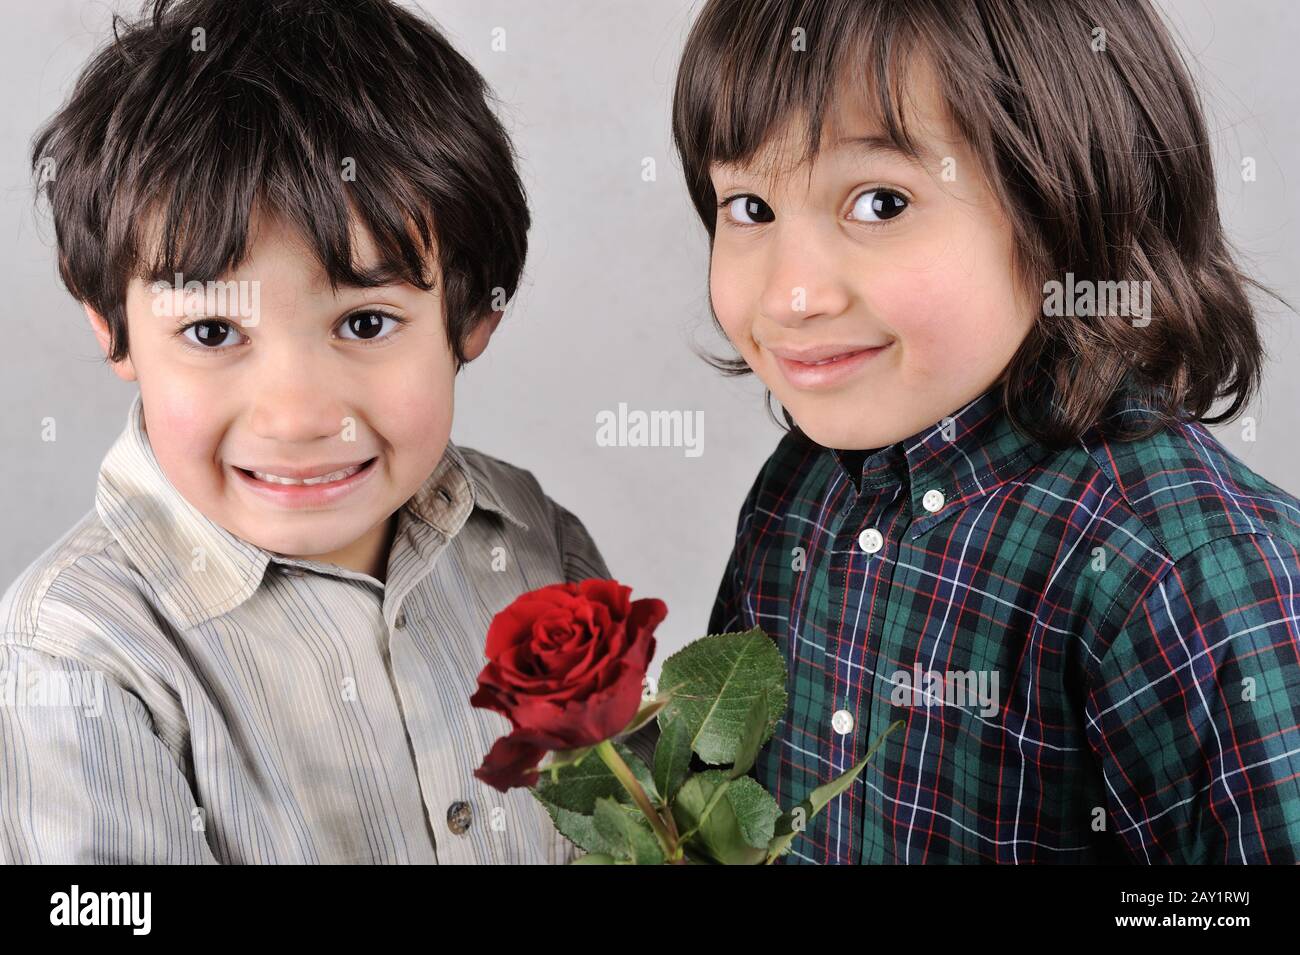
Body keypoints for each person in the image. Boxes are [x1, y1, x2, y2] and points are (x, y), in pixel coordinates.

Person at [0, 0, 627, 864]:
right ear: (111, 323)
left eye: (365, 324)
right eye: (214, 332)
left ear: (475, 311)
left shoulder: (530, 537)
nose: (297, 417)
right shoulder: (79, 655)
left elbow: (636, 818)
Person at [675, 0, 1300, 863]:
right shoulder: (799, 489)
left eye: (881, 202)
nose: (793, 294)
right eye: (748, 208)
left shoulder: (1183, 575)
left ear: (1067, 202)